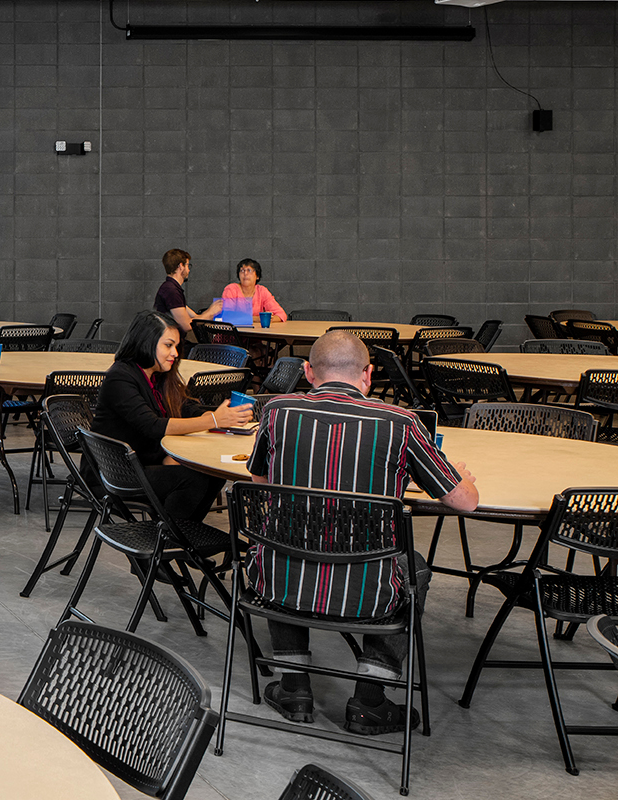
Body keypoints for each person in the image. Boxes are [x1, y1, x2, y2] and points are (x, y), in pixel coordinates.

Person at [245, 328, 478, 736]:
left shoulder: (278, 410)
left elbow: (262, 479)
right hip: (367, 590)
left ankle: (294, 688)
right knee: (415, 569)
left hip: (279, 580)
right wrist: (458, 475)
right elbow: (464, 502)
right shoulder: (400, 423)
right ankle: (369, 701)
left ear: (308, 372)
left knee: (280, 541)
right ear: (368, 374)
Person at [92, 312, 252, 521]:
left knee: (213, 475)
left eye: (176, 346)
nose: (175, 353)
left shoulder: (157, 374)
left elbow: (184, 407)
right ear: (146, 342)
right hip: (117, 471)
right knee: (193, 479)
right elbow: (152, 426)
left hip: (145, 459)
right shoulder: (120, 377)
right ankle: (170, 540)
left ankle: (183, 537)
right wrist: (213, 420)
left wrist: (222, 414)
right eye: (168, 345)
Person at [217, 258, 287, 325]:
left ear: (257, 276)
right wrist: (257, 319)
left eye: (249, 270)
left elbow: (281, 314)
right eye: (242, 270)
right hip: (232, 335)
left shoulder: (262, 291)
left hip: (255, 334)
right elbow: (228, 317)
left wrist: (268, 319)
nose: (245, 274)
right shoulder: (231, 289)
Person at [152, 248, 205, 332]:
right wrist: (211, 312)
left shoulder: (172, 288)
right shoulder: (171, 291)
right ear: (180, 266)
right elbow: (187, 325)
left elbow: (194, 317)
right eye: (187, 265)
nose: (189, 270)